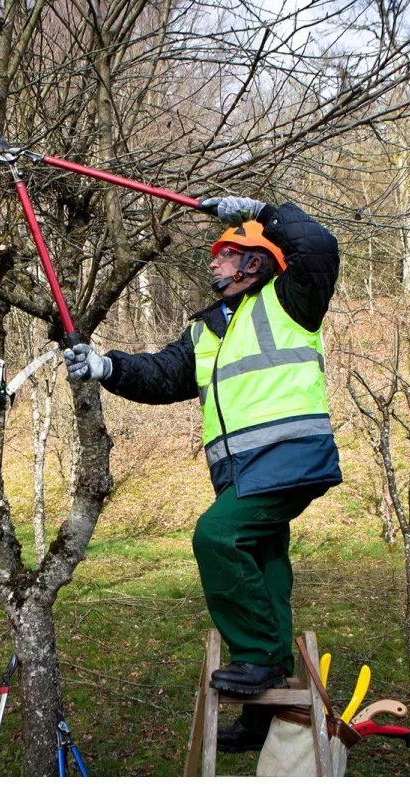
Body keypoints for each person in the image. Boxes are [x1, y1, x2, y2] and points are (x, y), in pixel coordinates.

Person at [63, 195, 342, 752]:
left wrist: (265, 210)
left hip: (288, 458)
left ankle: (258, 659)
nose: (212, 262)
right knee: (265, 571)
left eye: (225, 253)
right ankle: (266, 717)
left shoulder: (292, 300)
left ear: (255, 263)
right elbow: (162, 376)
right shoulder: (207, 330)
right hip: (244, 472)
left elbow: (317, 245)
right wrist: (105, 366)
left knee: (217, 536)